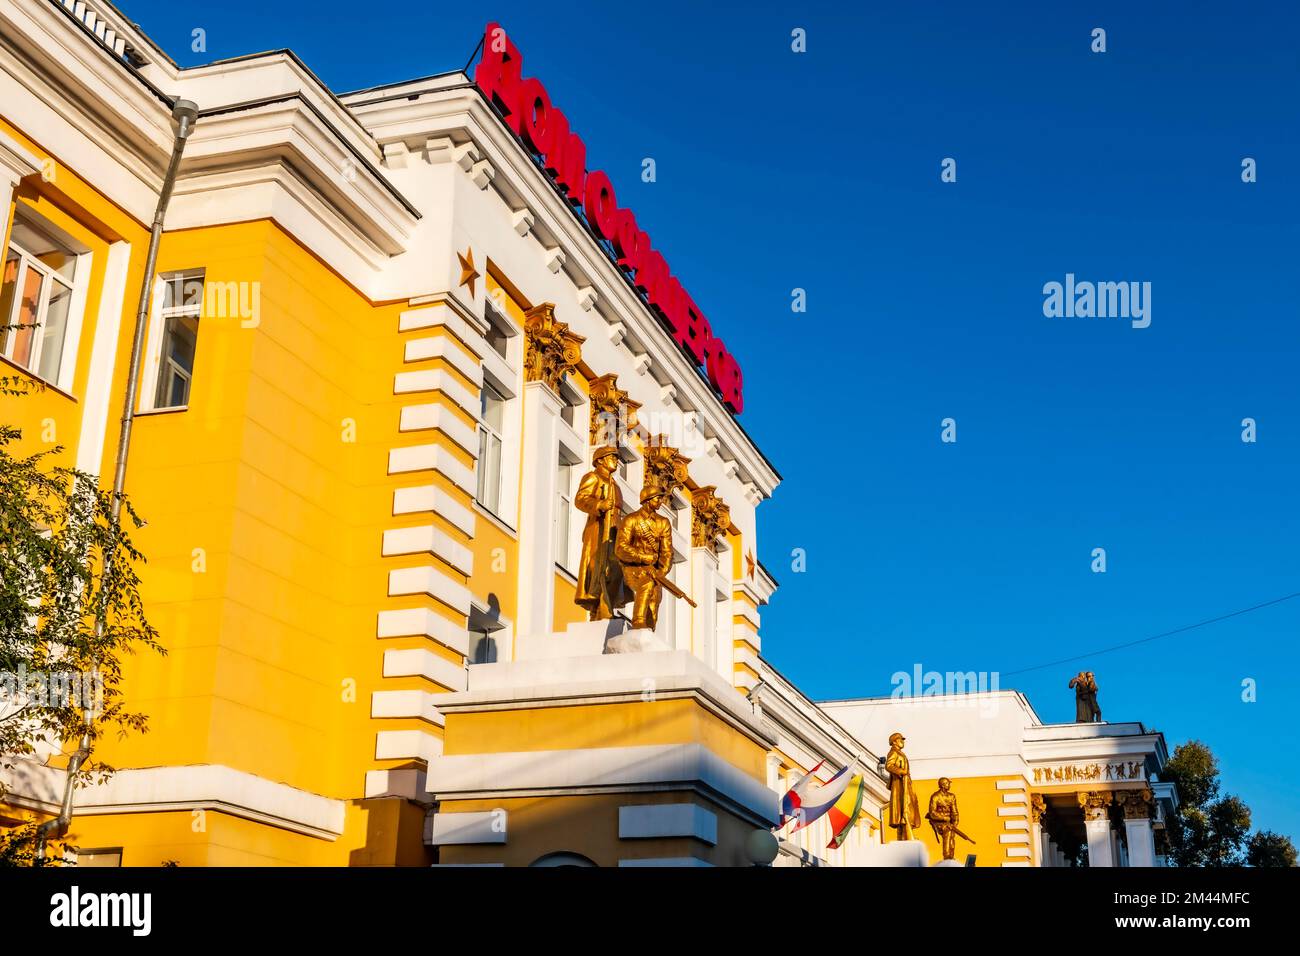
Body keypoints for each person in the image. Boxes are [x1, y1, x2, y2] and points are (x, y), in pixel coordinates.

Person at [573, 446, 627, 620]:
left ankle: (607, 605)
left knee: (616, 568)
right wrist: (599, 505)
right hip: (599, 529)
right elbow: (580, 499)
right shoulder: (593, 477)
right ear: (601, 459)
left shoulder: (615, 485)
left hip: (615, 530)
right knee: (601, 568)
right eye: (612, 457)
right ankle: (601, 609)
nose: (616, 461)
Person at [614, 483, 673, 630]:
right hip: (632, 569)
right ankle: (638, 622)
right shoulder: (631, 520)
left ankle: (648, 632)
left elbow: (667, 552)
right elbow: (621, 548)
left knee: (655, 600)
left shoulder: (663, 523)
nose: (660, 501)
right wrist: (642, 557)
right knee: (646, 584)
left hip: (654, 571)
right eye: (657, 498)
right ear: (647, 499)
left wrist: (661, 572)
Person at [885, 732, 920, 840]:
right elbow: (889, 765)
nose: (902, 741)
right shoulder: (893, 752)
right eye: (900, 739)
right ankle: (905, 834)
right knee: (904, 808)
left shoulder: (900, 753)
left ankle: (903, 836)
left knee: (906, 808)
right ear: (894, 741)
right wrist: (901, 772)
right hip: (899, 784)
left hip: (905, 782)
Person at [926, 777, 961, 860]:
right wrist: (944, 818)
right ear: (943, 785)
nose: (949, 785)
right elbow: (932, 813)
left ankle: (951, 857)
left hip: (950, 822)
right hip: (939, 822)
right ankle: (947, 856)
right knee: (948, 831)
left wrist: (955, 823)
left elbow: (955, 812)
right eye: (948, 783)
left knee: (952, 835)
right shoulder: (935, 797)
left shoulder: (952, 796)